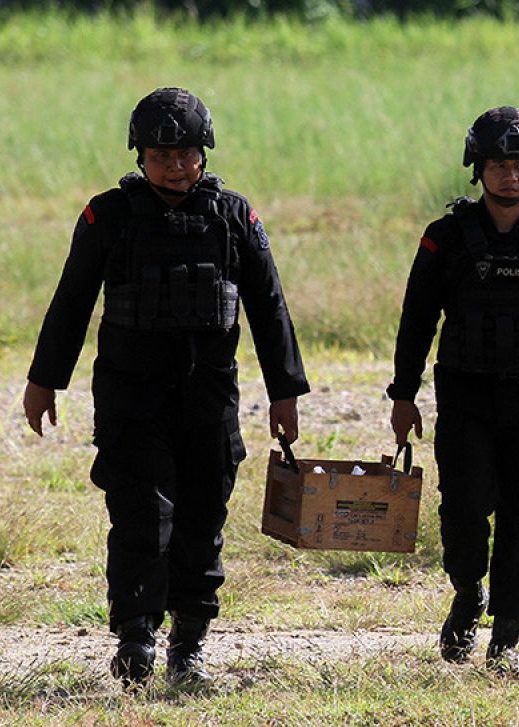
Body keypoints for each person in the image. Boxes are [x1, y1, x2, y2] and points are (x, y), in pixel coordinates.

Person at [22, 88, 310, 689]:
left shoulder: (233, 215)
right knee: (140, 516)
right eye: (161, 155)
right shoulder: (109, 216)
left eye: (185, 154)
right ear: (140, 156)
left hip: (209, 398)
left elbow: (269, 305)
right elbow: (71, 300)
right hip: (131, 398)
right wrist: (45, 380)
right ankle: (134, 637)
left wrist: (285, 391)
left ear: (203, 153)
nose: (175, 166)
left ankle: (190, 645)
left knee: (203, 518)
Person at [387, 106, 519, 679]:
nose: (509, 175)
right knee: (463, 510)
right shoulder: (446, 238)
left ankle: (507, 637)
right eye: (497, 164)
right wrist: (402, 394)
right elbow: (416, 321)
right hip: (464, 398)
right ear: (477, 168)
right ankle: (467, 593)